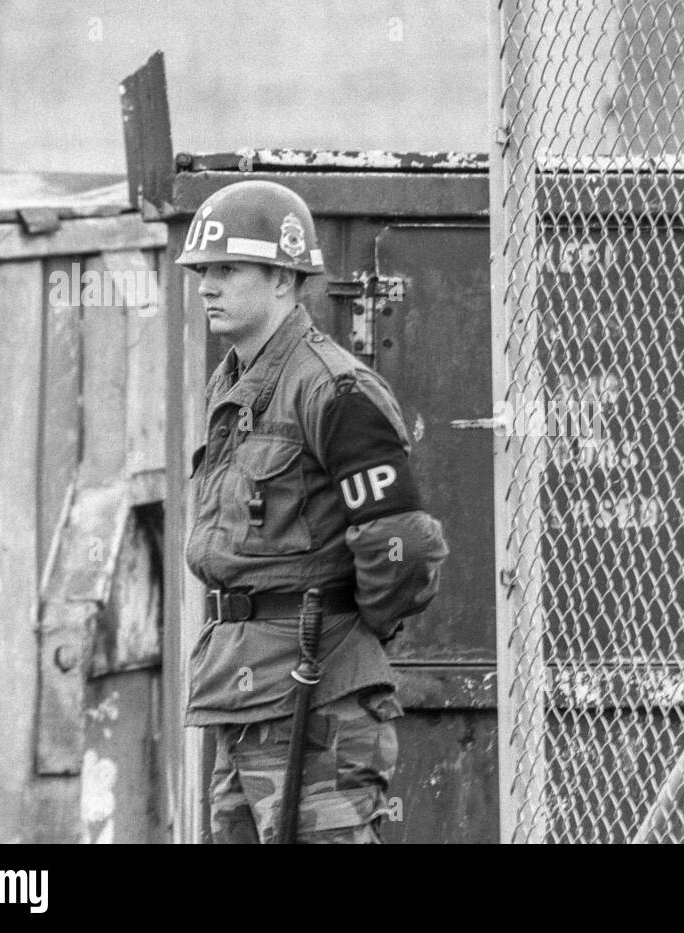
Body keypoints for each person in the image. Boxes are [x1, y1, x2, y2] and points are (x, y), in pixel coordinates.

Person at [176, 179, 448, 844]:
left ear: (282, 279)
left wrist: (346, 636)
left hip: (313, 699)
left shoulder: (332, 389)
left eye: (227, 269)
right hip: (238, 693)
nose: (208, 286)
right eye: (204, 271)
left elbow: (405, 545)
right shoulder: (234, 383)